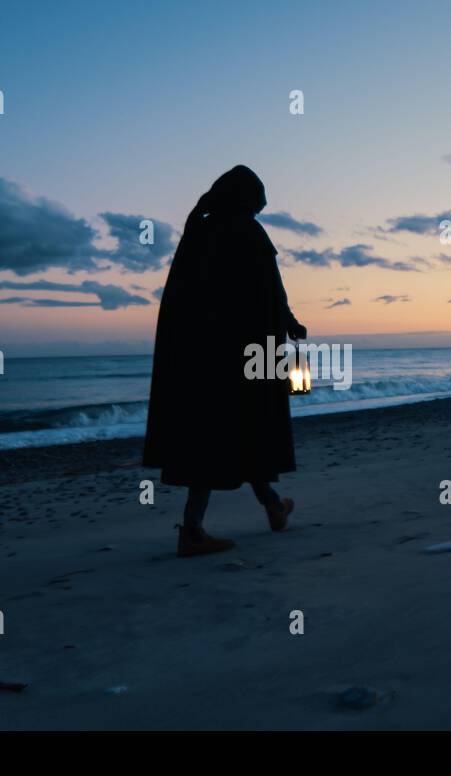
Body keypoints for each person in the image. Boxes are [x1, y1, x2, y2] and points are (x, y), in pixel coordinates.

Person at [142, 165, 307, 557]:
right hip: (248, 354)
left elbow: (185, 299)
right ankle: (194, 530)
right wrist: (289, 322)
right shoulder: (246, 231)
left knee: (229, 433)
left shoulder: (199, 230)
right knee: (230, 435)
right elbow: (271, 287)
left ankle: (272, 505)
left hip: (203, 357)